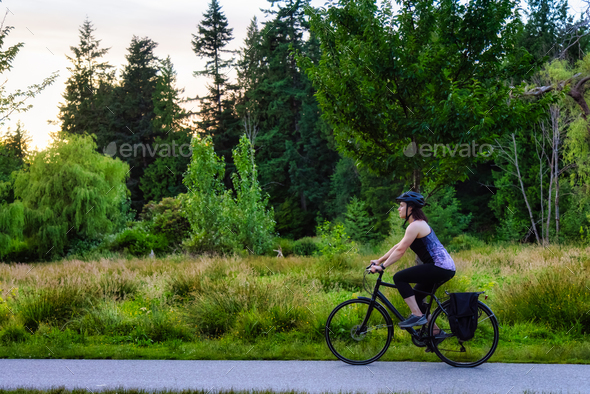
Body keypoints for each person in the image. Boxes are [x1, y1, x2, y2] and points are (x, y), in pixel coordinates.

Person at [369, 191, 456, 339]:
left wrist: (382, 267)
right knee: (415, 298)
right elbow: (398, 246)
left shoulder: (416, 226)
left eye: (401, 205)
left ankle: (417, 315)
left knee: (399, 278)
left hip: (439, 267)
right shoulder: (416, 225)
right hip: (443, 268)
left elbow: (401, 251)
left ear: (411, 208)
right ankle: (435, 332)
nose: (399, 208)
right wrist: (379, 260)